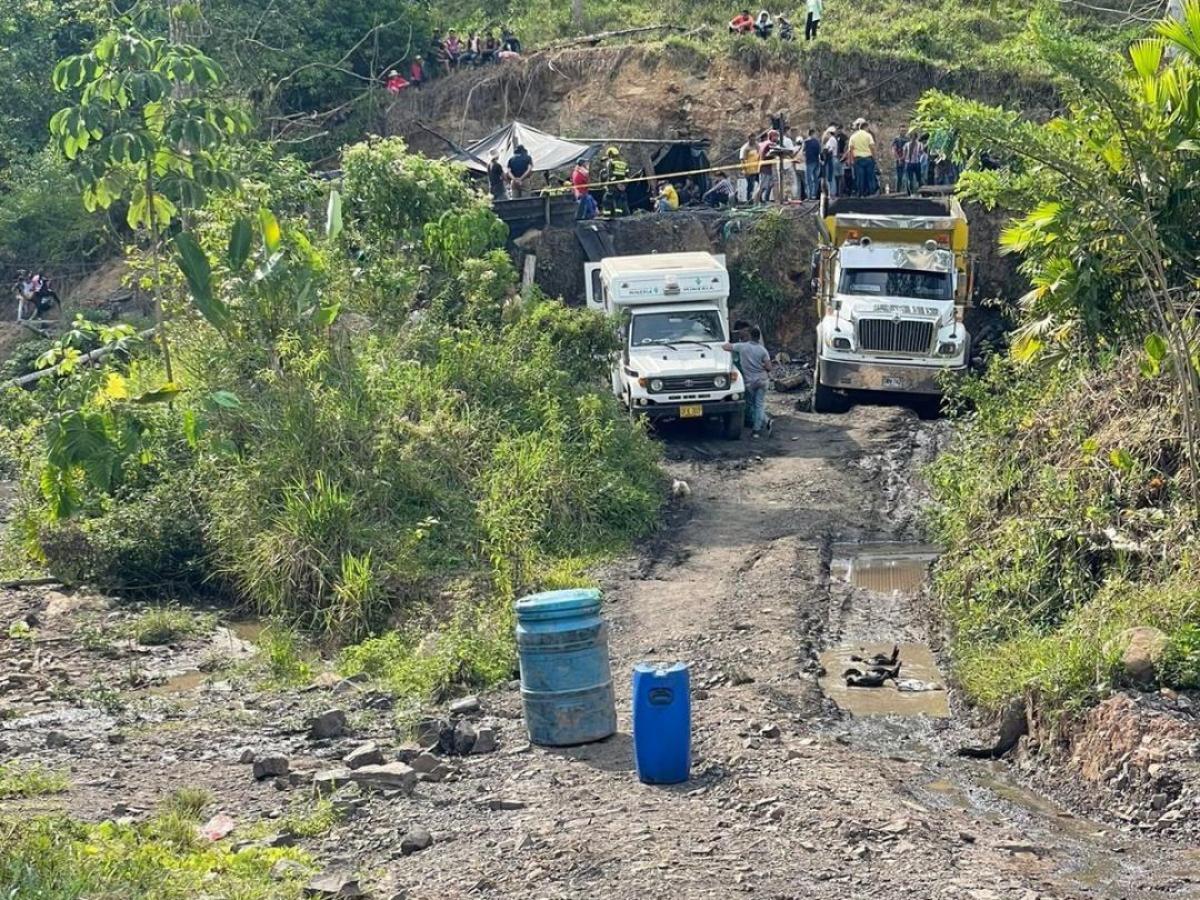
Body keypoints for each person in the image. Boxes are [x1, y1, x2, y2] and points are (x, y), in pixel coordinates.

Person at [724, 326, 774, 438]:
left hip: (749, 382)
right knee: (759, 405)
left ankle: (757, 428)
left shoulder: (742, 347)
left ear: (750, 336)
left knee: (752, 405)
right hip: (762, 380)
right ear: (759, 337)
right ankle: (762, 425)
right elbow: (769, 367)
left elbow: (726, 347)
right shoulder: (763, 350)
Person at [848, 117, 877, 196]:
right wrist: (874, 158)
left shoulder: (853, 136)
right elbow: (872, 147)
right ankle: (871, 193)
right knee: (870, 177)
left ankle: (860, 193)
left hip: (858, 159)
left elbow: (850, 150)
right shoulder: (868, 135)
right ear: (866, 127)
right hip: (868, 158)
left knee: (860, 178)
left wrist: (851, 160)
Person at [600, 146, 630, 217]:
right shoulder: (624, 164)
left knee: (606, 201)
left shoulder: (611, 163)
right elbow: (627, 177)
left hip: (613, 187)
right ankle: (619, 217)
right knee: (619, 203)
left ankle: (607, 217)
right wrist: (624, 186)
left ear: (610, 154)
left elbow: (611, 175)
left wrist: (617, 184)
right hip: (622, 188)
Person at [755, 129, 782, 202]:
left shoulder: (764, 143)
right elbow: (777, 150)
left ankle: (776, 201)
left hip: (768, 168)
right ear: (771, 136)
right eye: (776, 136)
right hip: (765, 169)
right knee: (762, 187)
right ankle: (755, 202)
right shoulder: (770, 143)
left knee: (774, 184)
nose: (777, 138)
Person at [739, 133, 761, 203]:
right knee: (750, 186)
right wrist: (745, 170)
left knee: (761, 184)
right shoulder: (746, 148)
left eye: (754, 139)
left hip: (757, 169)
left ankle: (759, 198)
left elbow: (759, 154)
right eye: (752, 139)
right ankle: (749, 199)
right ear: (749, 139)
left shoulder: (757, 145)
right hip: (749, 170)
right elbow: (743, 160)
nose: (753, 141)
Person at [780, 128, 799, 199]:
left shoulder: (778, 140)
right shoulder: (788, 140)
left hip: (780, 165)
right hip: (787, 164)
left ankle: (784, 197)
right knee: (792, 181)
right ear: (786, 131)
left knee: (784, 182)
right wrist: (798, 148)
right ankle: (793, 197)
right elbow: (792, 153)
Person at [822, 126, 840, 199]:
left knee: (831, 176)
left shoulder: (831, 140)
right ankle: (831, 192)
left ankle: (832, 193)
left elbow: (830, 150)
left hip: (831, 159)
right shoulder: (832, 139)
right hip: (831, 158)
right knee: (830, 177)